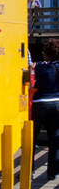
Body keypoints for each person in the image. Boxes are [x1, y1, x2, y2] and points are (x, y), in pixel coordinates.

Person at [32, 39, 59, 180]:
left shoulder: (38, 67)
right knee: (54, 138)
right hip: (55, 104)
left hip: (39, 104)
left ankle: (29, 171)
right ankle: (52, 172)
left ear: (46, 54)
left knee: (32, 137)